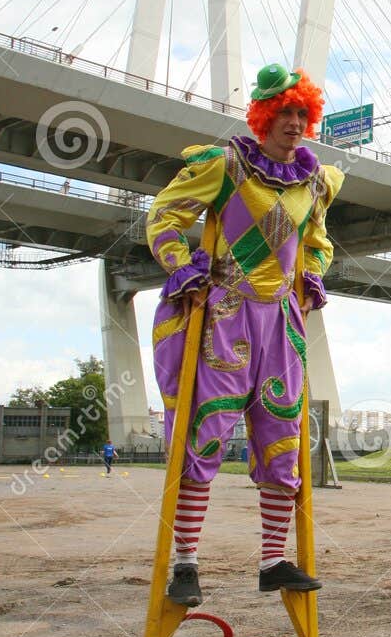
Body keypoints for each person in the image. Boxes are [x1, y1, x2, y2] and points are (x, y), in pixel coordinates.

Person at [146, 64, 343, 606]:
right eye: (285, 113)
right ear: (264, 117)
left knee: (283, 437)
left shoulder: (315, 180)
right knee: (203, 433)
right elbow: (165, 215)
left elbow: (320, 243)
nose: (295, 123)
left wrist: (312, 277)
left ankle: (273, 560)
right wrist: (184, 268)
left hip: (280, 322)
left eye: (303, 113)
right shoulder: (228, 165)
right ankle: (185, 564)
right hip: (226, 313)